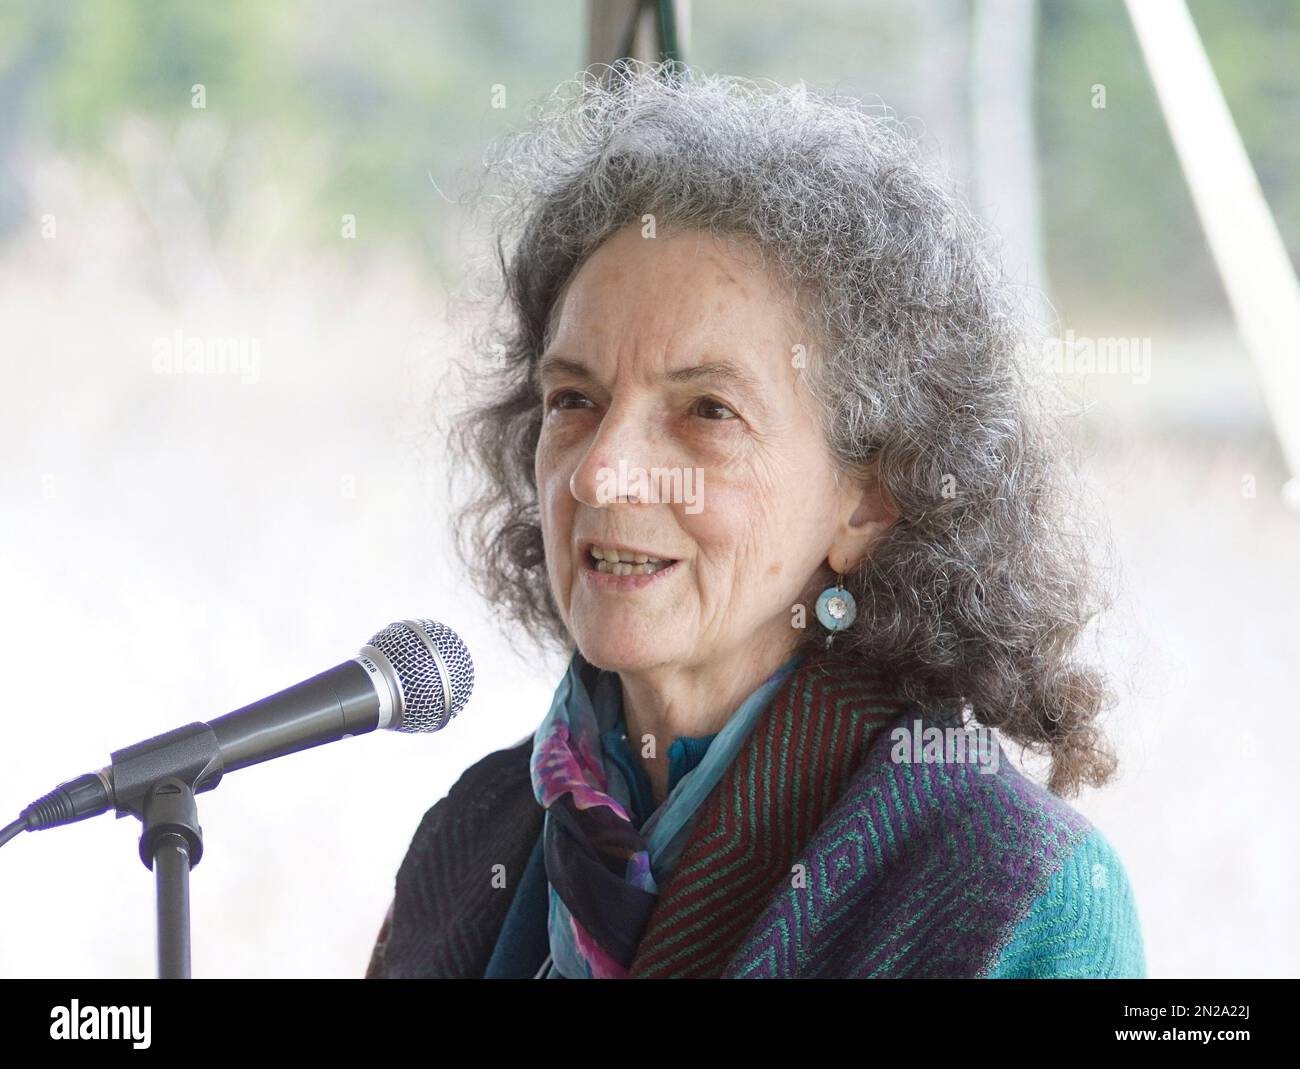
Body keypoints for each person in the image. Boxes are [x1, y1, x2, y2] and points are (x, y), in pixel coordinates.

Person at [365, 59, 1145, 979]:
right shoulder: (474, 832)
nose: (602, 472)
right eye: (573, 398)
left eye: (707, 411)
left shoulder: (1010, 890)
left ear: (870, 497)